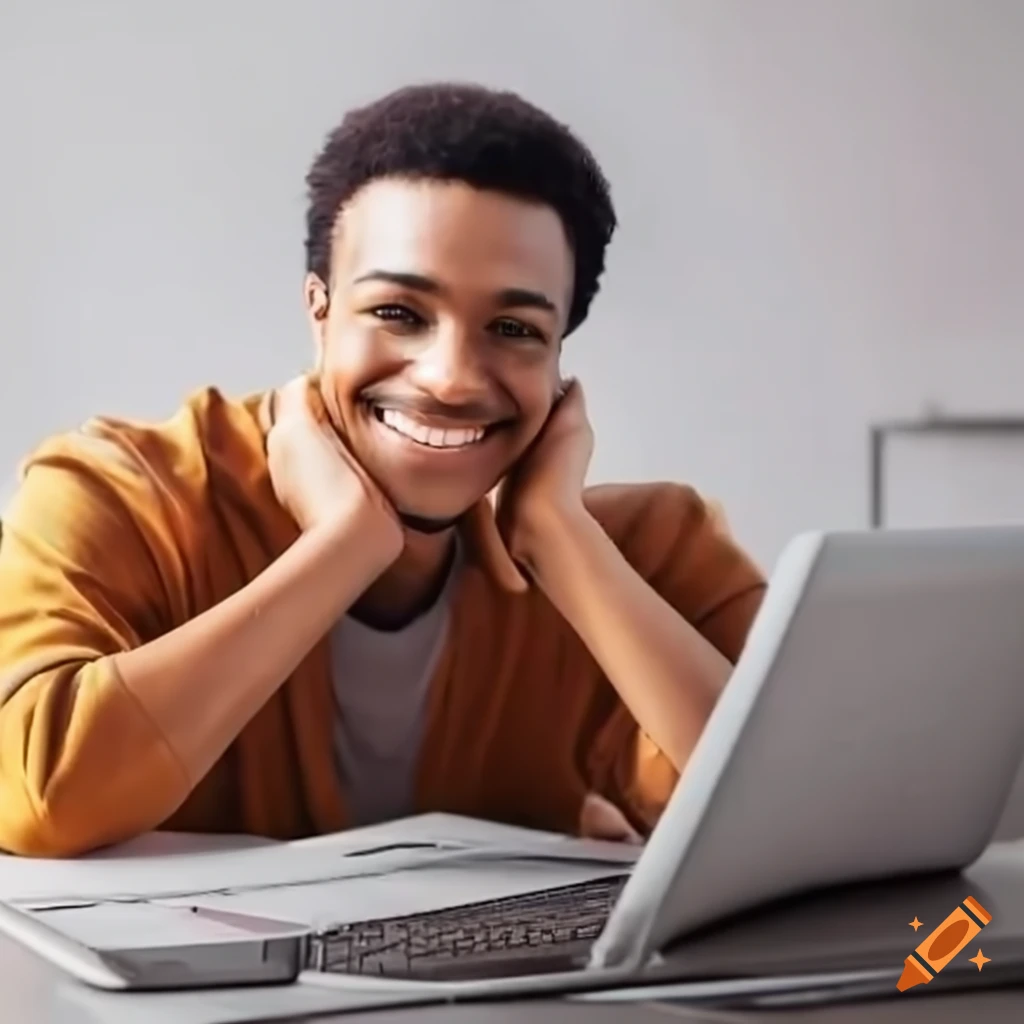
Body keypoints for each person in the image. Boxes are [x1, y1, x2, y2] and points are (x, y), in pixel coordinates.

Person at [0, 83, 766, 858]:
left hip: (513, 984)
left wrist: (560, 539)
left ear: (562, 357)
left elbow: (796, 822)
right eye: (399, 312)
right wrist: (342, 548)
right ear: (318, 309)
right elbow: (36, 798)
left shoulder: (644, 554)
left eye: (514, 328)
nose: (453, 378)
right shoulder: (117, 495)